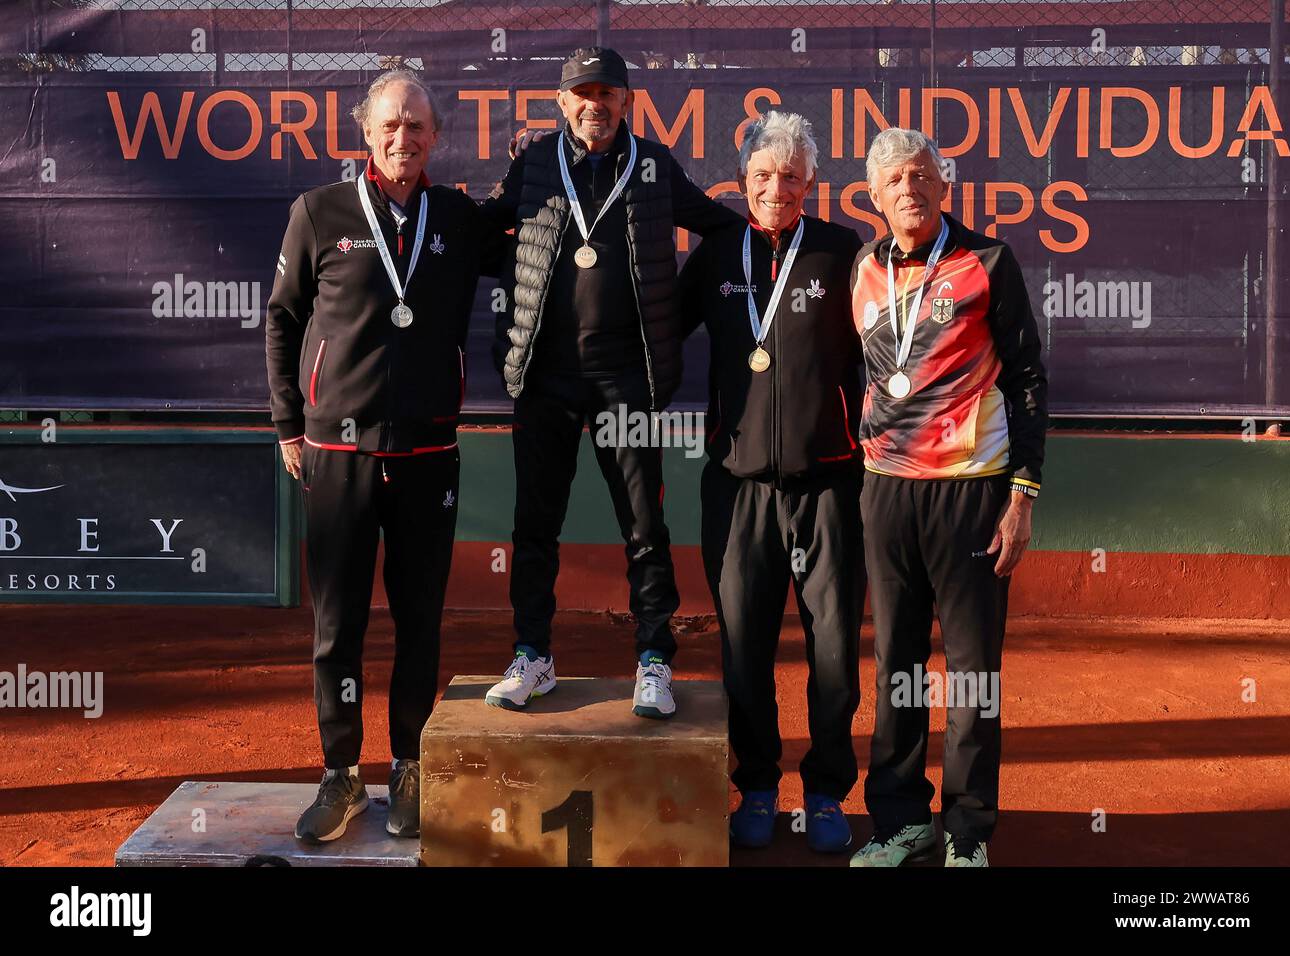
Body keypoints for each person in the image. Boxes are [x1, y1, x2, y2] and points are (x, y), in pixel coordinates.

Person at [266, 69, 500, 843]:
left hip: (429, 452)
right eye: (391, 125)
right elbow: (282, 319)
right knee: (337, 625)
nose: (405, 138)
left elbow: (535, 237)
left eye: (419, 127)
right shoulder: (320, 212)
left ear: (437, 137)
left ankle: (408, 766)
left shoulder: (459, 219)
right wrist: (288, 427)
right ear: (366, 131)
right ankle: (341, 774)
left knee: (420, 621)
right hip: (337, 454)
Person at [478, 47, 742, 718]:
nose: (596, 102)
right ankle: (532, 656)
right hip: (546, 380)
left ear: (627, 101)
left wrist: (673, 315)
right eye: (582, 92)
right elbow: (488, 233)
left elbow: (720, 229)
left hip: (629, 380)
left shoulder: (653, 165)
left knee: (645, 526)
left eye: (609, 92)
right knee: (535, 527)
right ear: (562, 102)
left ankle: (654, 660)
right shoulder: (535, 164)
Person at [847, 128, 1048, 868]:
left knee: (971, 672)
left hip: (971, 493)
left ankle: (968, 832)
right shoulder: (862, 270)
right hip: (887, 494)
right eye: (895, 179)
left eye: (922, 174)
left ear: (944, 185)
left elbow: (1027, 379)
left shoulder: (988, 261)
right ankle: (901, 822)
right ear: (873, 195)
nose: (910, 188)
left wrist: (1022, 493)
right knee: (896, 662)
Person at [678, 111, 866, 853]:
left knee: (832, 650)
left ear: (810, 182)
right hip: (738, 483)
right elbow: (660, 329)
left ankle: (825, 791)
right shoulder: (718, 254)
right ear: (743, 181)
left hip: (831, 484)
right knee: (743, 646)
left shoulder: (840, 251)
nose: (776, 188)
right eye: (763, 175)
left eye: (790, 176)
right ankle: (755, 783)